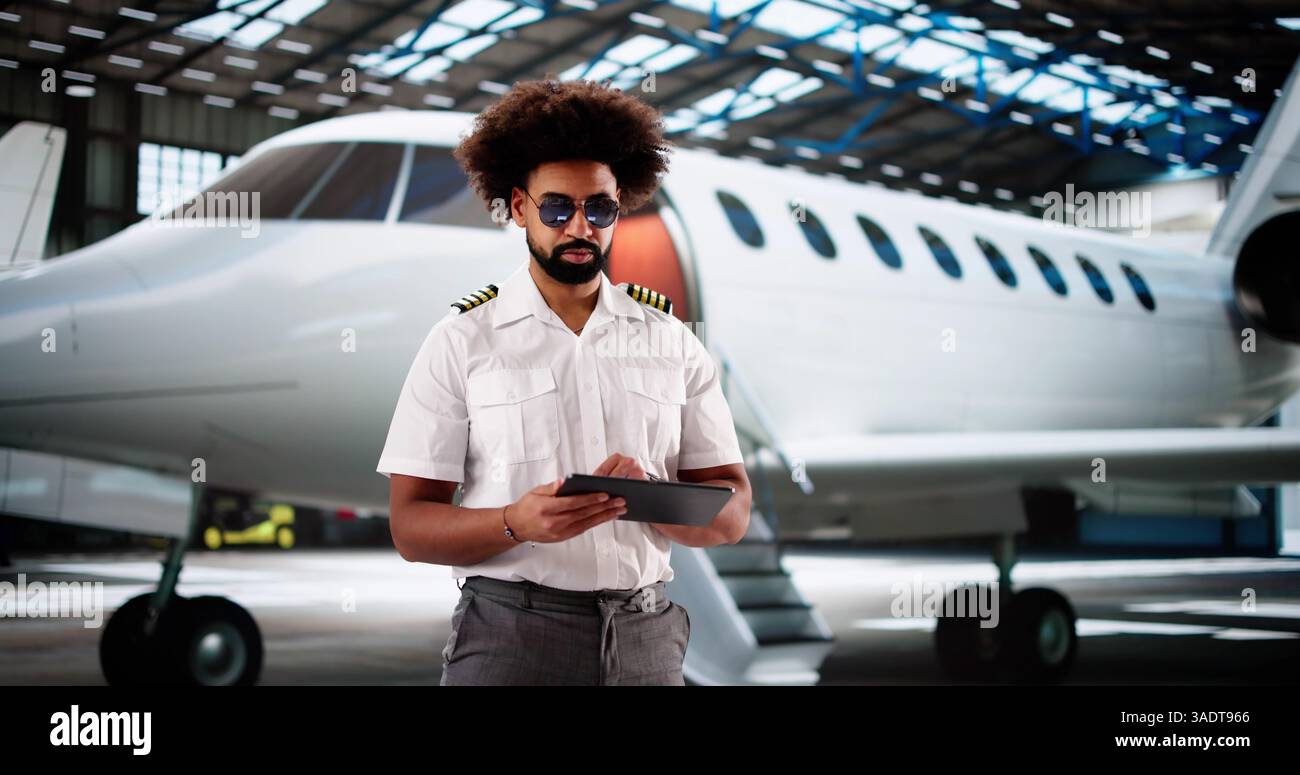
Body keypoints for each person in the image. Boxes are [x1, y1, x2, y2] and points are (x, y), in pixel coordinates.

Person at [376, 78, 752, 685]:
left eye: (599, 208)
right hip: (510, 640)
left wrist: (652, 495)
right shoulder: (463, 340)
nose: (580, 227)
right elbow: (411, 527)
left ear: (618, 208)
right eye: (558, 208)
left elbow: (732, 514)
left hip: (645, 642)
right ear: (520, 207)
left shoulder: (670, 338)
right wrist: (513, 523)